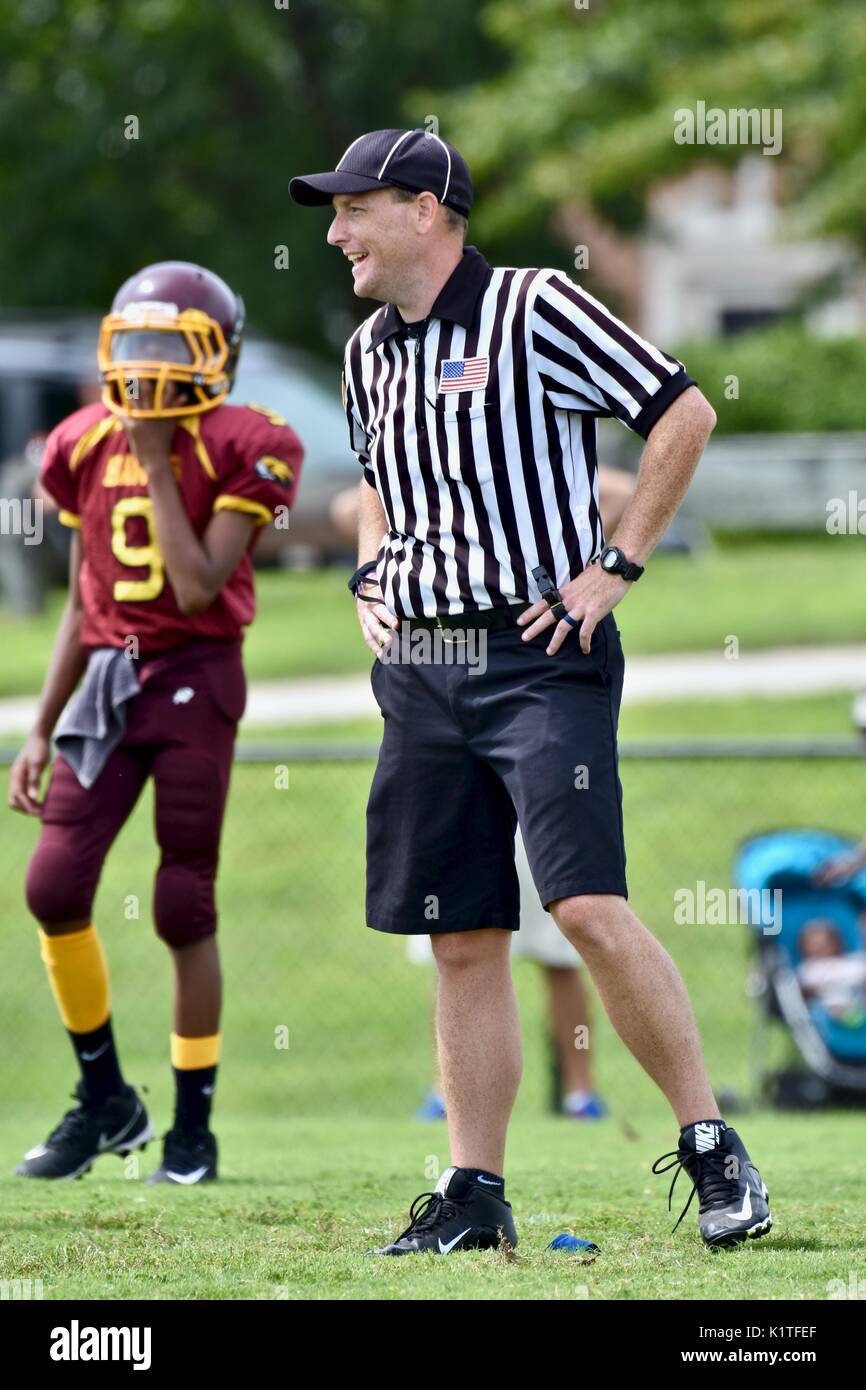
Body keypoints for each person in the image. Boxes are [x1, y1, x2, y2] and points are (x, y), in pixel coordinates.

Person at [290, 128, 770, 1252]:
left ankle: (711, 1147)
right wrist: (373, 578)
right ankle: (474, 1191)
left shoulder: (535, 308)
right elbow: (378, 488)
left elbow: (681, 413)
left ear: (423, 210)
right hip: (421, 664)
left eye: (352, 208)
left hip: (535, 652)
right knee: (458, 933)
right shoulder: (367, 351)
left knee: (584, 906)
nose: (334, 232)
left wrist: (616, 565)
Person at [8, 261, 302, 1184]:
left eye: (168, 351)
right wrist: (39, 724)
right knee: (53, 888)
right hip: (106, 677)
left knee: (182, 905)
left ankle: (192, 1129)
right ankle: (105, 1100)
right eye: (131, 348)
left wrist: (158, 456)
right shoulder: (82, 441)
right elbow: (84, 596)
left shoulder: (249, 441)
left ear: (220, 356)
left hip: (195, 675)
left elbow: (197, 583)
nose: (144, 369)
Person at [410, 830, 606, 1121]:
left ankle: (581, 1096)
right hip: (458, 815)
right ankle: (445, 1094)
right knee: (450, 953)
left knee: (561, 953)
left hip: (533, 820)